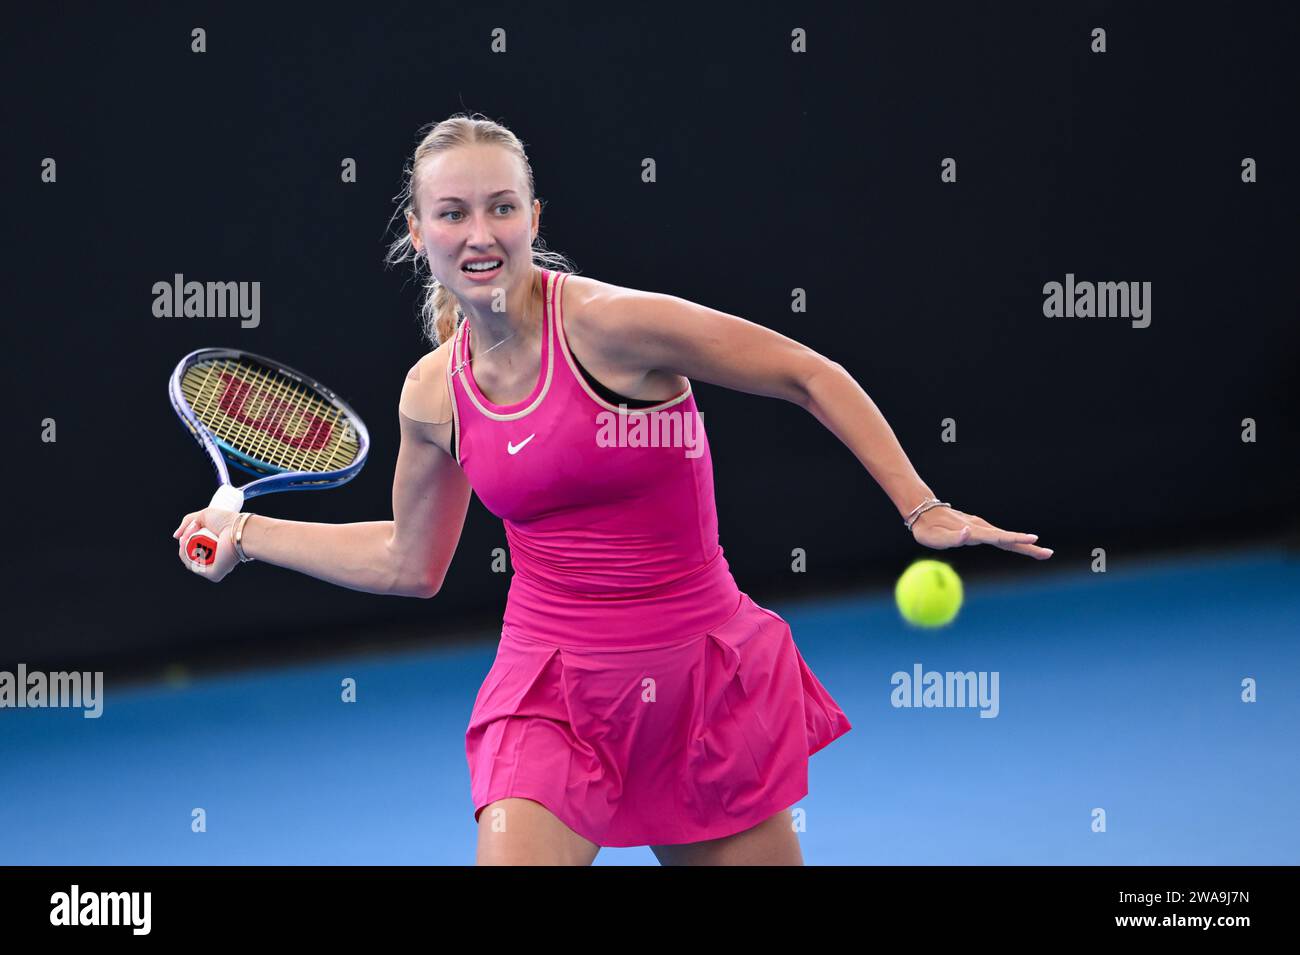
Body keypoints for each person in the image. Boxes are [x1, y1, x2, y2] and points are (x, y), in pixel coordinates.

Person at [173, 113, 1052, 866]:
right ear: (418, 232)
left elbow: (806, 373)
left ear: (532, 217)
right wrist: (246, 533)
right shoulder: (432, 393)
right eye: (453, 213)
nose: (480, 233)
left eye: (501, 208)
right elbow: (411, 561)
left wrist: (920, 504)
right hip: (551, 692)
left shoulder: (611, 325)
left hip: (699, 681)